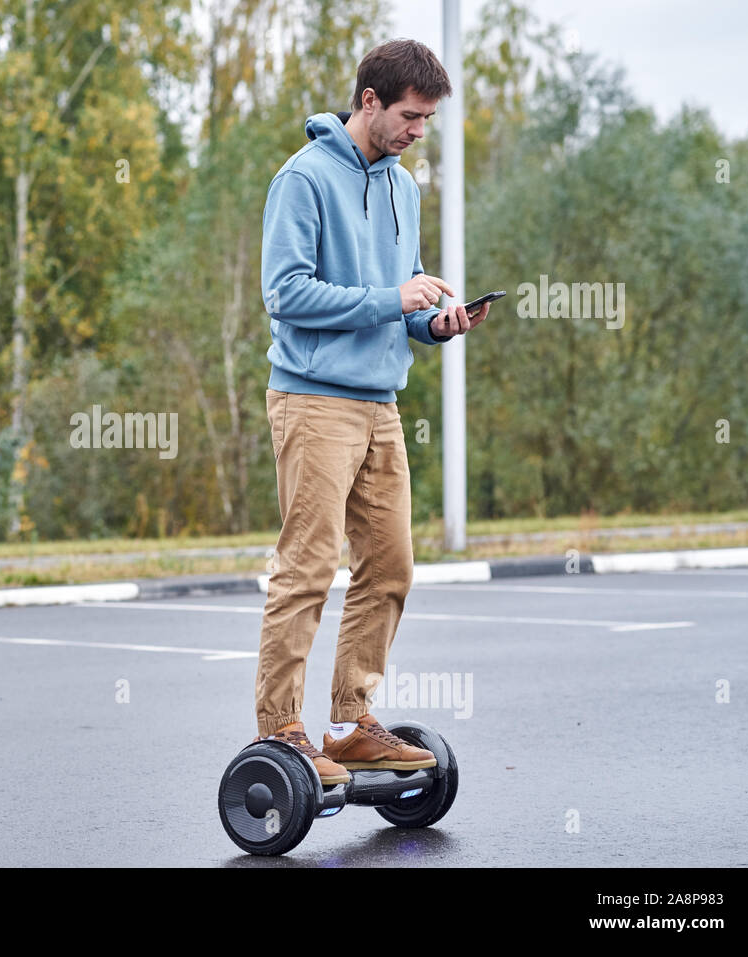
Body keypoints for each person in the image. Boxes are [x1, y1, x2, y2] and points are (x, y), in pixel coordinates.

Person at [253, 38, 493, 784]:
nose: (419, 130)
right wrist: (391, 300)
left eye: (426, 119)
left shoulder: (403, 188)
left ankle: (349, 722)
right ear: (368, 102)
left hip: (381, 404)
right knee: (308, 567)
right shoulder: (303, 179)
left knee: (390, 566)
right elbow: (285, 294)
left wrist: (434, 322)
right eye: (411, 116)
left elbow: (405, 293)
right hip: (313, 399)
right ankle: (281, 729)